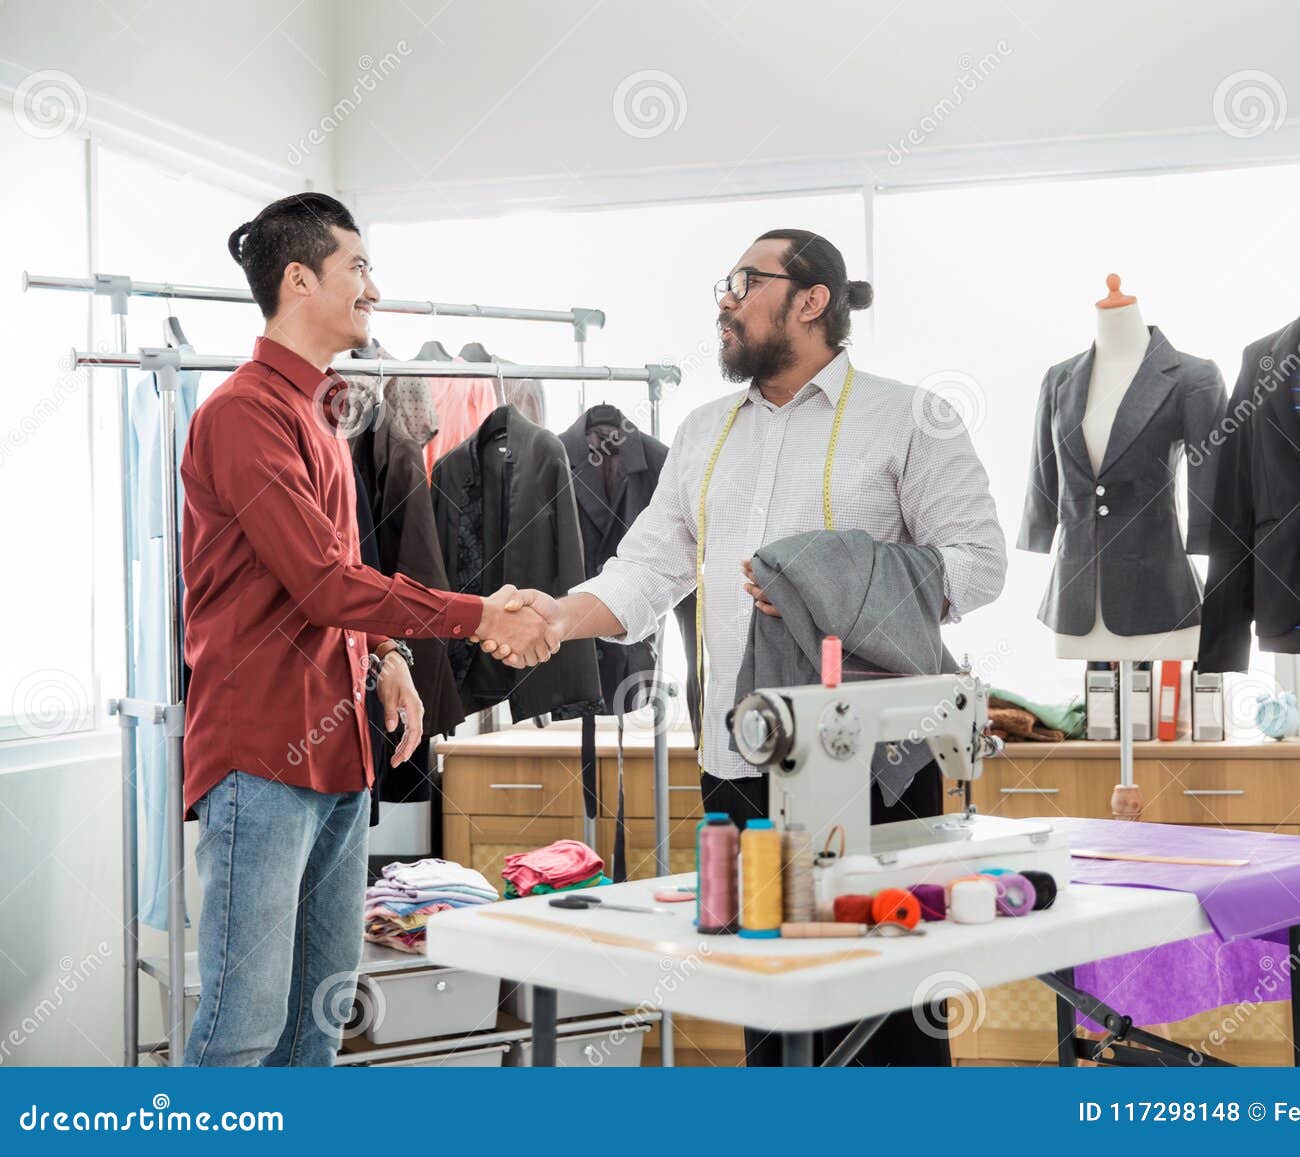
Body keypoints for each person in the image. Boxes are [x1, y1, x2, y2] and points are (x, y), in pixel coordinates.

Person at [479, 228, 1007, 1065]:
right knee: (767, 992)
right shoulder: (702, 432)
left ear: (810, 300)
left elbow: (979, 568)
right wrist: (556, 615)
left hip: (873, 765)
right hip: (742, 754)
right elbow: (648, 569)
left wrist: (826, 571)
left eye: (742, 281)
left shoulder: (909, 416)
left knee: (890, 1009)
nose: (722, 299)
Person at [179, 193, 548, 1066]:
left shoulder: (321, 411)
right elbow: (322, 582)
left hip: (339, 756)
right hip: (261, 759)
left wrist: (389, 659)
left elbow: (335, 571)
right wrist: (477, 612)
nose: (374, 289)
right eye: (359, 268)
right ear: (300, 279)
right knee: (242, 1030)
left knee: (317, 1024)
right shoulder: (241, 416)